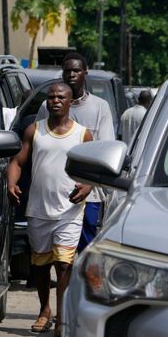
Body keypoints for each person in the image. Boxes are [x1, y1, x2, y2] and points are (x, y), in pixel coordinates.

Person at [9, 82, 93, 337]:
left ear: (70, 102)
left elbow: (92, 169)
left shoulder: (83, 134)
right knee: (41, 265)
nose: (55, 101)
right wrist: (11, 182)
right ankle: (44, 311)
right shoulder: (34, 130)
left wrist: (88, 186)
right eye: (52, 97)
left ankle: (62, 318)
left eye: (61, 97)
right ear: (47, 102)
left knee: (64, 264)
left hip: (69, 211)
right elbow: (18, 161)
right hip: (38, 209)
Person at [36, 52, 115, 248]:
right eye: (67, 71)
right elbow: (36, 143)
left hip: (87, 193)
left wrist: (90, 184)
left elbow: (105, 150)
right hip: (51, 193)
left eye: (76, 70)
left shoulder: (99, 107)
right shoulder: (47, 107)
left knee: (86, 246)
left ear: (85, 73)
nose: (71, 75)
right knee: (52, 253)